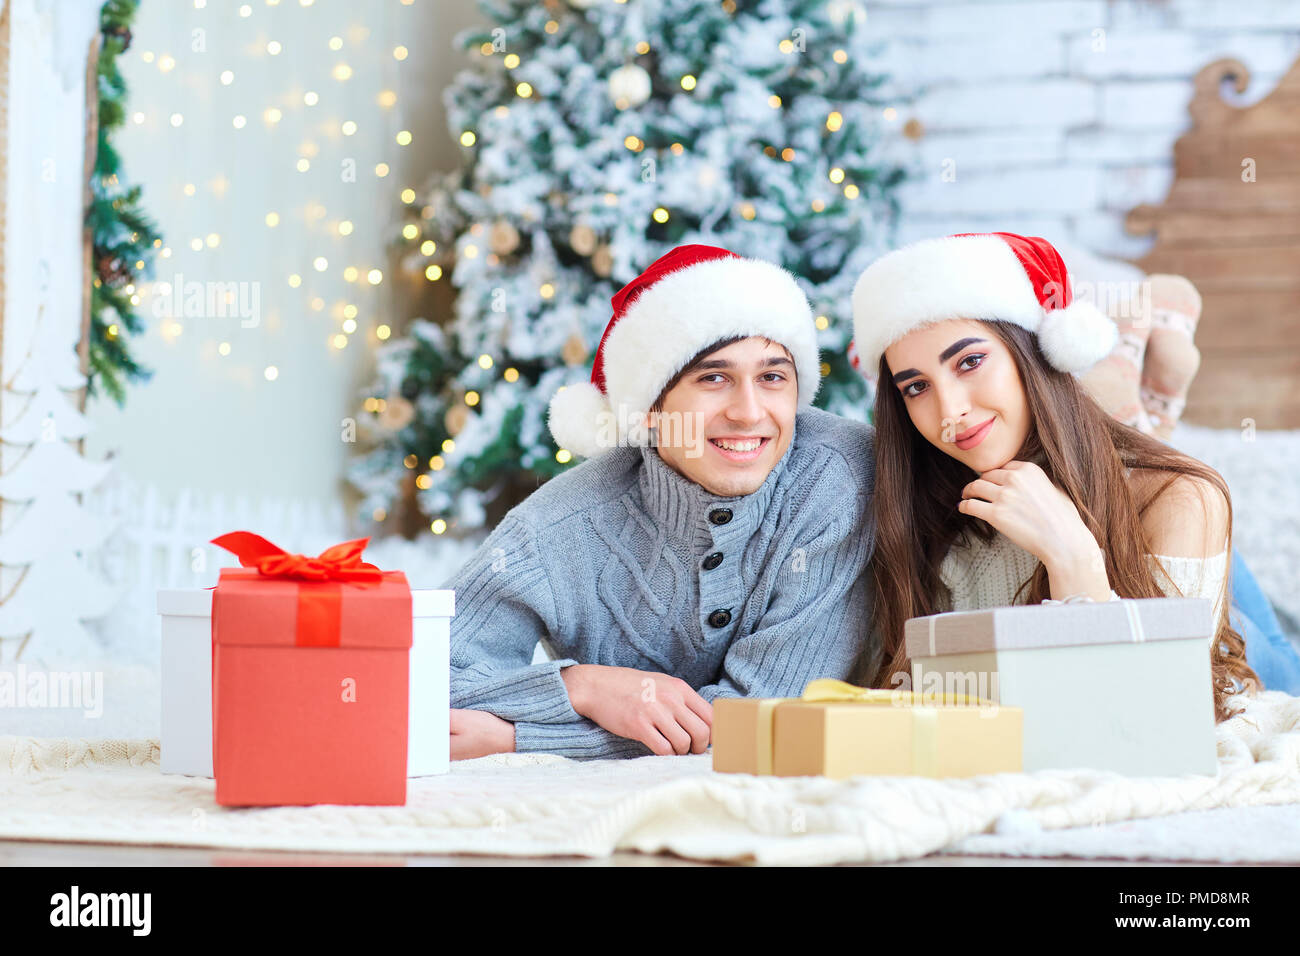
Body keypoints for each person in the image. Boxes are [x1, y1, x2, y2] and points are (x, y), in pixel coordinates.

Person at [444, 244, 876, 760]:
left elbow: (768, 713)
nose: (749, 411)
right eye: (713, 378)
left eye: (772, 376)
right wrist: (583, 686)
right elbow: (417, 675)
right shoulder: (562, 526)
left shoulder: (840, 477)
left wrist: (523, 737)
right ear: (649, 409)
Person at [845, 231, 1261, 722]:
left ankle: (1132, 396)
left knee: (1262, 641)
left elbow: (1165, 720)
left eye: (971, 361)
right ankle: (1136, 404)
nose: (949, 411)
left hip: (1201, 606)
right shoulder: (915, 504)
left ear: (1036, 353)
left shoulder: (1180, 497)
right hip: (1107, 483)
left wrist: (1074, 558)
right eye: (916, 387)